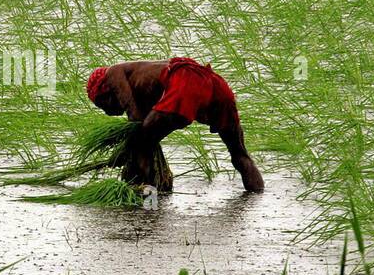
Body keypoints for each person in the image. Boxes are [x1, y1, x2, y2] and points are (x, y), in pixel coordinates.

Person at [86, 58, 264, 193]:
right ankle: (256, 198)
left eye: (102, 106)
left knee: (142, 142)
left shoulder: (112, 75)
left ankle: (149, 203)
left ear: (105, 93)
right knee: (240, 154)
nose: (108, 113)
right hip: (214, 82)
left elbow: (135, 119)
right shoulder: (141, 84)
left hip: (185, 80)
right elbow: (150, 120)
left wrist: (125, 153)